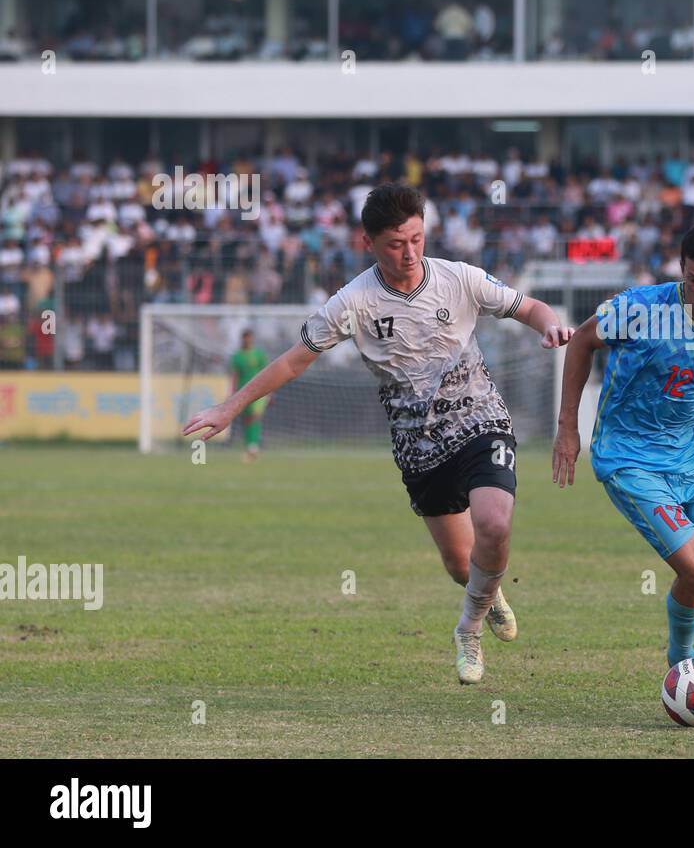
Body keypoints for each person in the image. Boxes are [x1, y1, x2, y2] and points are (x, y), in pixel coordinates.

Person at [183, 183, 574, 685]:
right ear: (367, 242)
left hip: (481, 422)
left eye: (417, 238)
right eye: (395, 243)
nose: (410, 252)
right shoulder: (353, 302)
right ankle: (487, 592)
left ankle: (468, 629)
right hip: (419, 447)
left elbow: (528, 306)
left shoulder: (461, 278)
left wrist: (550, 325)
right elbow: (293, 361)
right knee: (461, 564)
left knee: (494, 525)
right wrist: (231, 406)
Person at [551, 224, 694, 722]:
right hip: (629, 457)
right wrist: (567, 428)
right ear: (681, 269)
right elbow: (581, 344)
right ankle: (682, 667)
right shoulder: (638, 308)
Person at [229, 329, 270, 462]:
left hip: (260, 391)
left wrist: (270, 391)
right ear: (243, 339)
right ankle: (249, 447)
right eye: (245, 338)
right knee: (246, 420)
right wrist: (232, 393)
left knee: (254, 417)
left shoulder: (259, 354)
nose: (247, 340)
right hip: (242, 391)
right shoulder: (237, 356)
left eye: (249, 338)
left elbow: (268, 372)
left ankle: (253, 446)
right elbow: (234, 376)